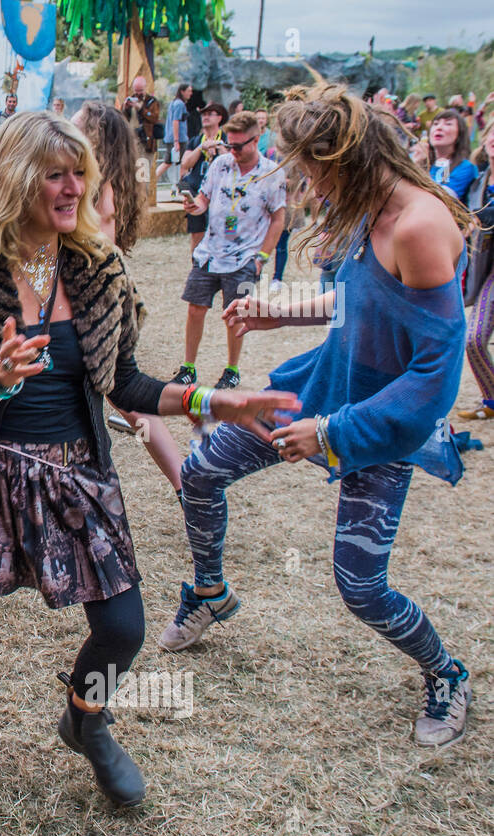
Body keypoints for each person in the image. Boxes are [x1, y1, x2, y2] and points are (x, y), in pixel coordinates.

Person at [0, 110, 297, 805]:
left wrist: (216, 403)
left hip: (76, 472)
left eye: (80, 172)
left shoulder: (95, 267)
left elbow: (128, 384)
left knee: (123, 627)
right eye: (56, 173)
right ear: (18, 178)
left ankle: (87, 720)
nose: (74, 187)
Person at [165, 83, 475, 749]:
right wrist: (281, 309)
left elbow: (435, 375)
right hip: (318, 390)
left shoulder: (419, 226)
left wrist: (333, 435)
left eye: (307, 171)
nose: (305, 188)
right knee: (200, 472)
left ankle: (447, 673)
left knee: (361, 588)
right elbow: (352, 304)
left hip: (382, 424)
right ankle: (211, 592)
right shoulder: (365, 210)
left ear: (341, 160)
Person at [74, 101, 184, 498]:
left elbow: (100, 244)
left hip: (95, 297)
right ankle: (184, 481)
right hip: (106, 294)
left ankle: (185, 481)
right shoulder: (112, 182)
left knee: (126, 395)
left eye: (75, 126)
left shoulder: (96, 186)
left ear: (94, 138)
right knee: (124, 397)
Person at [177, 110, 287, 390]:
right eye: (229, 145)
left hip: (244, 258)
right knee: (195, 309)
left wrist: (262, 257)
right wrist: (195, 206)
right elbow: (204, 198)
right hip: (210, 252)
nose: (233, 151)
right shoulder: (221, 164)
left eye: (239, 146)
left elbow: (278, 219)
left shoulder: (272, 174)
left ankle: (232, 370)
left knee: (235, 315)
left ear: (256, 139)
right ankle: (188, 367)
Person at [456, 119, 494, 421]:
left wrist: (477, 218)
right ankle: (492, 399)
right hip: (488, 273)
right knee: (473, 339)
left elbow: (479, 216)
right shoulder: (479, 180)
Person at [178, 101, 228, 252]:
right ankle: (197, 267)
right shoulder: (195, 141)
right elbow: (185, 164)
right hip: (197, 194)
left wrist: (219, 149)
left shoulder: (226, 139)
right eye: (203, 114)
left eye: (209, 114)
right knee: (197, 233)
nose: (205, 117)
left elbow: (233, 163)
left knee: (226, 233)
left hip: (222, 195)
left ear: (219, 117)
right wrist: (201, 148)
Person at [422, 108, 479, 202]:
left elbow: (442, 198)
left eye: (448, 124)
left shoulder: (465, 167)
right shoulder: (419, 160)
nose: (439, 127)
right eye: (435, 124)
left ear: (459, 134)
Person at [121, 74, 161, 194]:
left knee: (143, 174)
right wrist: (125, 107)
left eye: (141, 91)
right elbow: (123, 119)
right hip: (131, 141)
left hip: (146, 142)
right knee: (130, 172)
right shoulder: (131, 100)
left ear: (146, 88)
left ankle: (143, 200)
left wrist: (140, 108)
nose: (138, 94)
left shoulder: (152, 102)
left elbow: (154, 118)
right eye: (136, 91)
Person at [158, 83, 193, 189]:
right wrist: (176, 140)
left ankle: (177, 186)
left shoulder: (174, 103)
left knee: (167, 162)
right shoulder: (179, 104)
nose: (190, 93)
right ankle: (182, 187)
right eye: (188, 91)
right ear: (182, 91)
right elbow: (175, 121)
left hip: (172, 137)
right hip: (178, 138)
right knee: (183, 163)